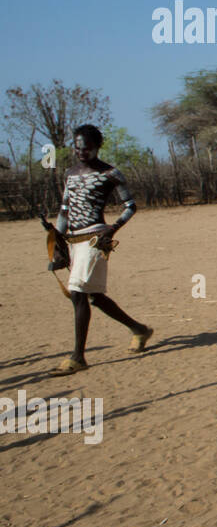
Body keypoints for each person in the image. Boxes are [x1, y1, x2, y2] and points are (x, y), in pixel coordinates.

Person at [52, 124, 152, 373]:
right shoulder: (71, 174)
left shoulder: (110, 174)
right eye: (77, 148)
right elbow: (65, 210)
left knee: (77, 292)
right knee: (94, 296)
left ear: (97, 147)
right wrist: (57, 239)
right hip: (74, 241)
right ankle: (139, 329)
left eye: (87, 148)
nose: (81, 152)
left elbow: (130, 206)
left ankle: (78, 357)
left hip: (96, 239)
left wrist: (113, 228)